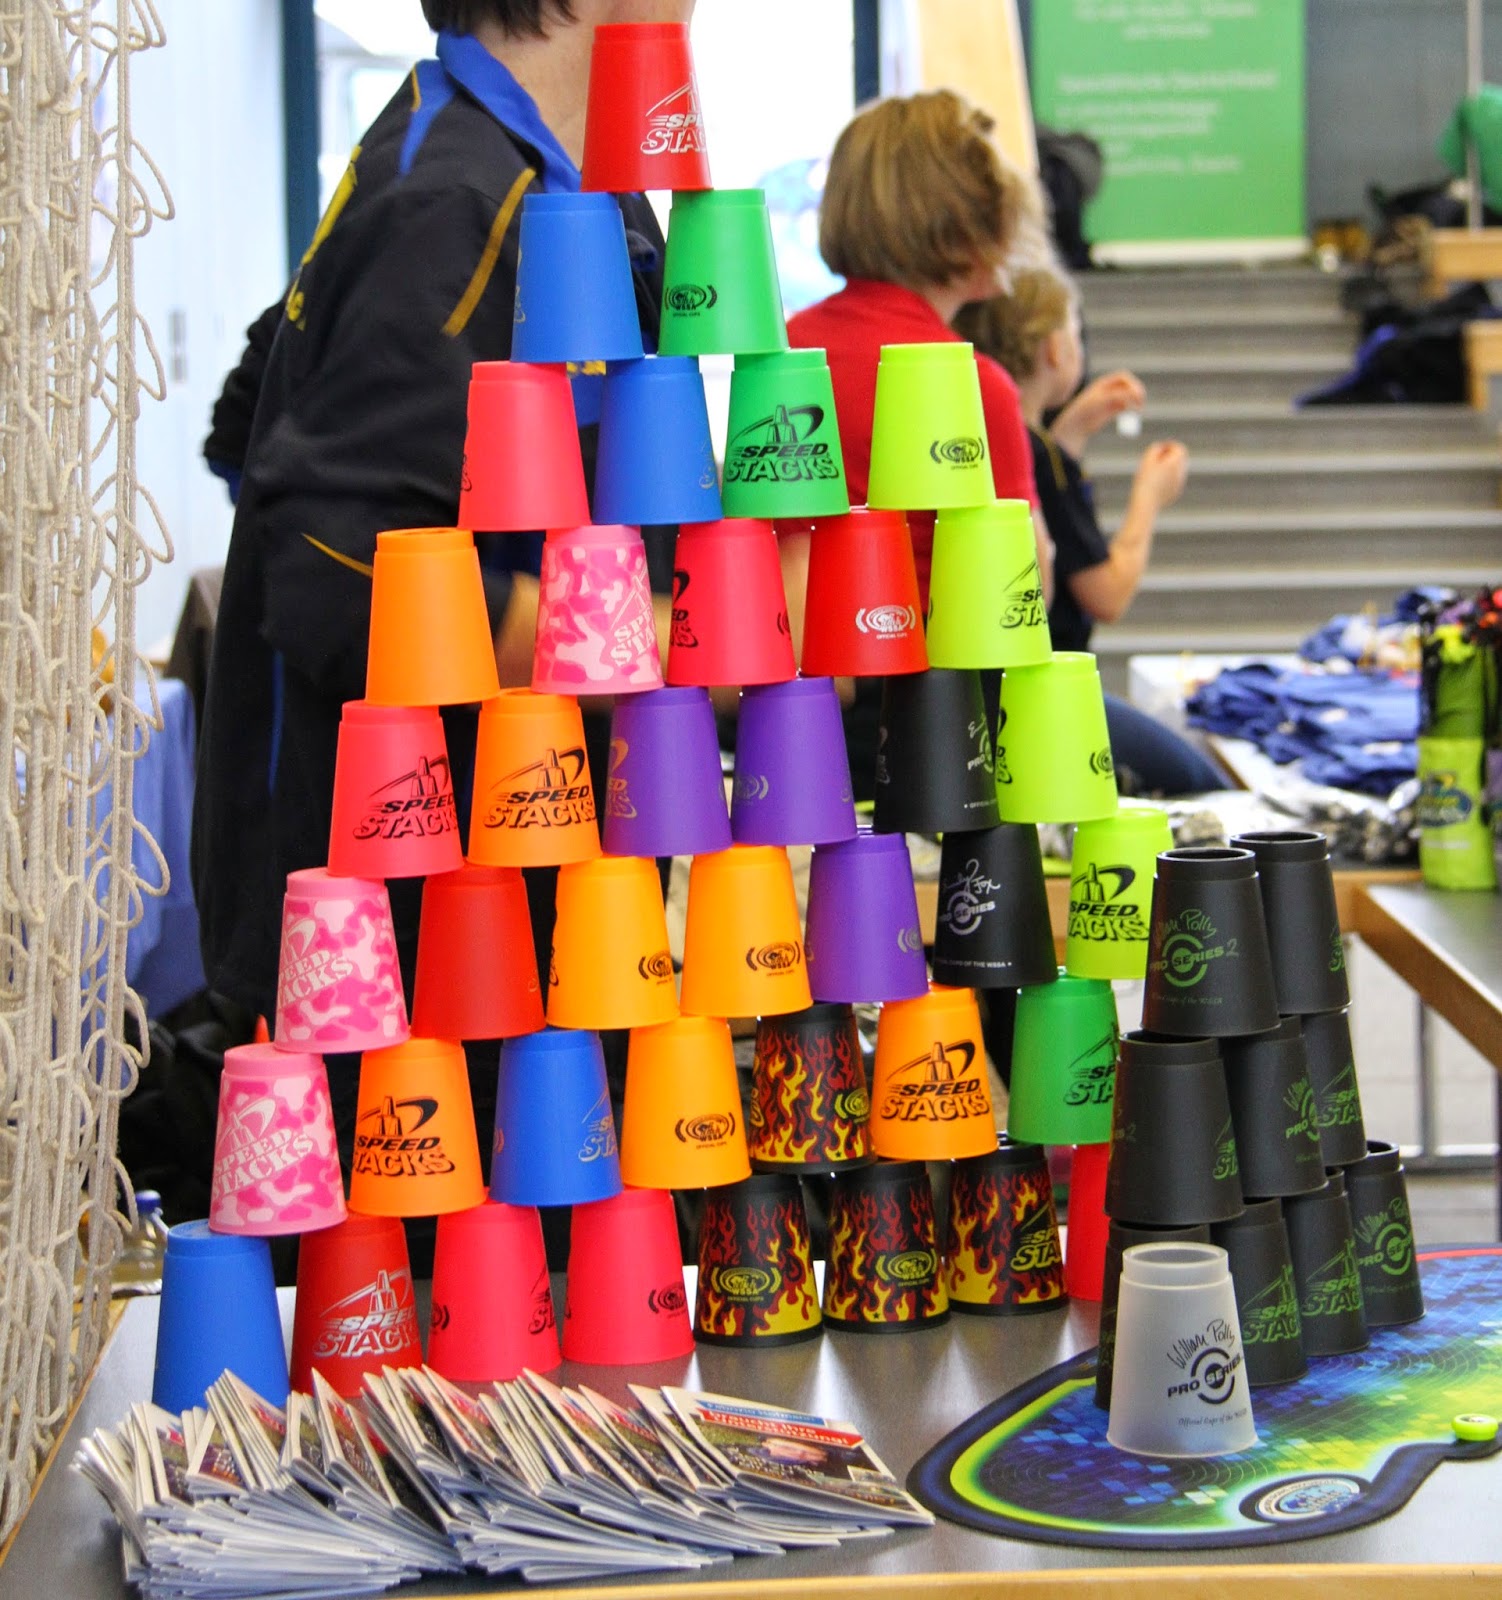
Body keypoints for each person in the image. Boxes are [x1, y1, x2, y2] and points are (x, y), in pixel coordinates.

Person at [176, 0, 689, 1265]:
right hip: (392, 937)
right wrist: (652, 650)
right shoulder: (452, 197)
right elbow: (326, 563)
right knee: (418, 1349)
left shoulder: (562, 187)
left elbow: (252, 422)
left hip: (533, 893)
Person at [957, 267, 1227, 796]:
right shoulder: (1038, 455)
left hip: (1000, 688)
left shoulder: (1011, 443)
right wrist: (1149, 496)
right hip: (1045, 693)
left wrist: (1073, 429)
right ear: (1055, 350)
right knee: (1200, 781)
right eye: (1076, 334)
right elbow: (1106, 594)